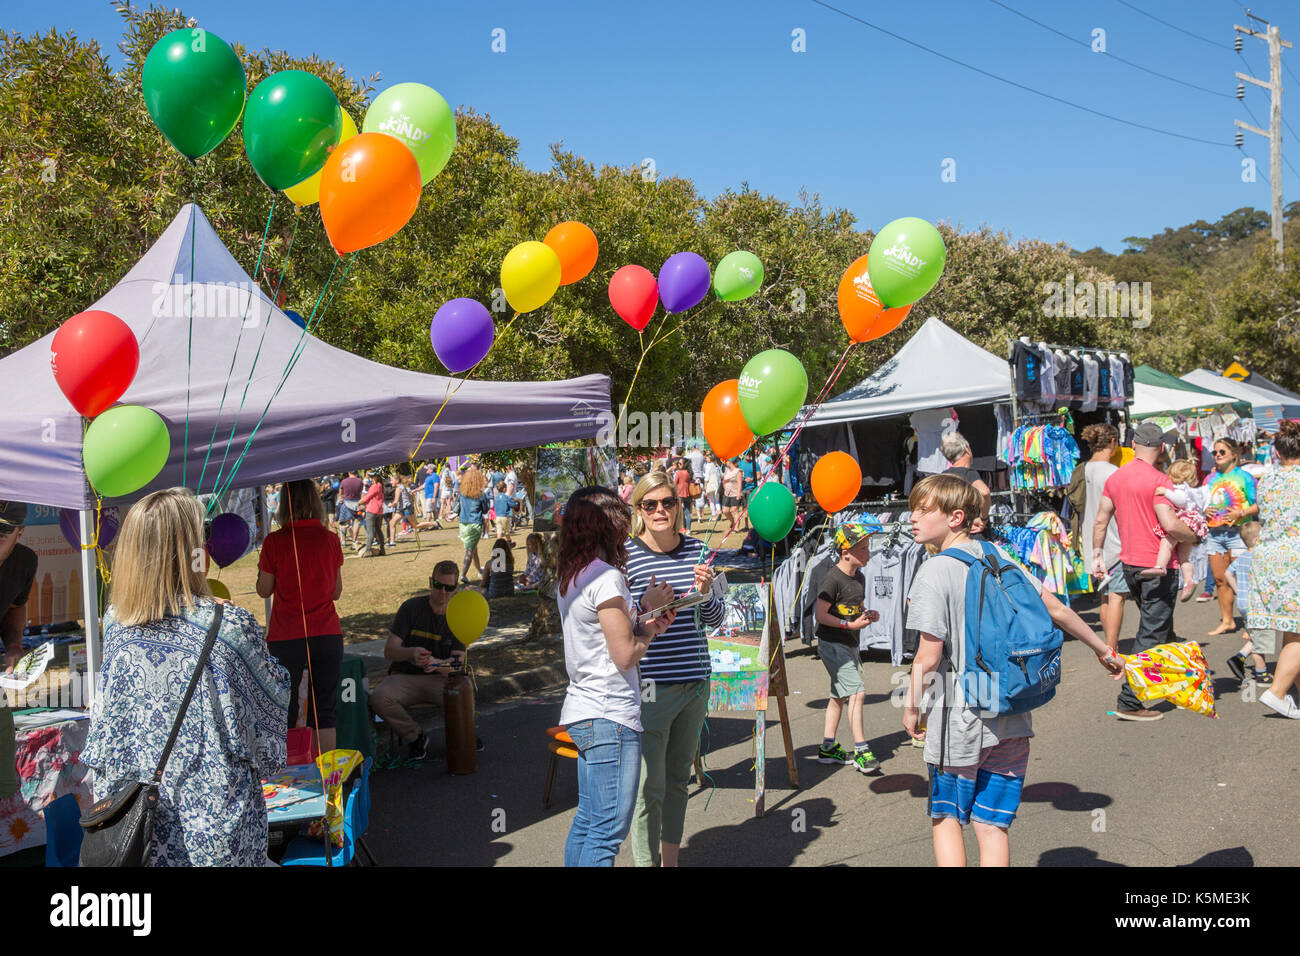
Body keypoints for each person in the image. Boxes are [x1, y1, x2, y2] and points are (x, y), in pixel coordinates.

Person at [903, 475, 1123, 866]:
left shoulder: (934, 571)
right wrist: (1102, 649)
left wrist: (911, 706)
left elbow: (928, 656)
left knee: (947, 815)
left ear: (955, 517)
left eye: (923, 510)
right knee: (992, 825)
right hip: (1011, 709)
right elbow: (1055, 608)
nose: (912, 518)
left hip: (961, 715)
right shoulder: (998, 556)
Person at [83, 488, 289, 866]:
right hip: (213, 832)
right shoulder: (230, 627)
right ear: (193, 550)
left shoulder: (115, 623)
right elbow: (270, 726)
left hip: (133, 830)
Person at [558, 487, 675, 867]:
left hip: (583, 710)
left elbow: (605, 633)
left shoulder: (574, 575)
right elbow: (624, 654)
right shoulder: (606, 576)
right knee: (606, 834)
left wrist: (643, 611)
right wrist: (651, 629)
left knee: (589, 822)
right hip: (610, 716)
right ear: (608, 527)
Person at [624, 472, 725, 867]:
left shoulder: (698, 551)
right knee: (650, 787)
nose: (660, 511)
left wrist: (706, 593)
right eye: (650, 504)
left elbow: (714, 619)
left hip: (695, 680)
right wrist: (649, 607)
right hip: (650, 684)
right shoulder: (627, 556)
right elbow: (622, 627)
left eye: (667, 502)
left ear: (678, 505)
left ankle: (671, 862)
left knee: (679, 780)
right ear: (639, 510)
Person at [1091, 421, 1198, 722]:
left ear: (1133, 444)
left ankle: (1174, 683)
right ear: (1162, 447)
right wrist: (1194, 535)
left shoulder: (1117, 477)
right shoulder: (1159, 481)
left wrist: (1097, 555)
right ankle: (1130, 700)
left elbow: (1101, 520)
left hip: (1130, 564)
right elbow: (1170, 524)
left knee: (1161, 626)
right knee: (1152, 631)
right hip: (1159, 567)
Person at [255, 479, 345, 754]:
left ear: (284, 504)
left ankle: (294, 781)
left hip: (287, 636)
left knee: (287, 709)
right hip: (326, 633)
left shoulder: (275, 541)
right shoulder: (330, 539)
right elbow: (336, 591)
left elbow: (263, 590)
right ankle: (330, 783)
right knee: (325, 711)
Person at [370, 560, 467, 759]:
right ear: (431, 583)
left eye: (449, 588)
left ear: (455, 588)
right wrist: (411, 653)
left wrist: (437, 664)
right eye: (438, 585)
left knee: (464, 692)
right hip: (405, 677)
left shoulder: (459, 615)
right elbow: (389, 650)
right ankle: (415, 737)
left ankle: (465, 736)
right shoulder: (411, 608)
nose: (443, 592)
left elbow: (458, 664)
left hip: (441, 679)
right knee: (379, 697)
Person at [815, 523, 883, 774]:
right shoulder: (832, 579)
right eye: (862, 548)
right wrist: (848, 624)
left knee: (840, 695)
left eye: (867, 547)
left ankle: (827, 747)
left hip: (849, 644)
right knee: (857, 693)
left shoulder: (859, 577)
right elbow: (820, 615)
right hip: (833, 644)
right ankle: (862, 751)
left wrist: (867, 614)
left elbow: (856, 603)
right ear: (846, 552)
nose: (868, 552)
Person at [1248, 420, 1300, 717]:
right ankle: (1277, 691)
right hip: (1295, 557)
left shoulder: (1267, 480)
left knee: (1293, 630)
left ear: (1277, 453)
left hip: (1269, 557)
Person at [1203, 438, 1259, 636]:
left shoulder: (1245, 477)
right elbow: (1202, 503)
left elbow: (1257, 505)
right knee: (1220, 579)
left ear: (1234, 454)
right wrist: (1205, 510)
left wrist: (1240, 514)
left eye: (1222, 452)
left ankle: (1251, 623)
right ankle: (1227, 620)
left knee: (1243, 580)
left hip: (1239, 533)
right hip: (1215, 533)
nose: (1217, 455)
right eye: (1215, 452)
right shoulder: (1209, 480)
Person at [1078, 423, 1126, 655]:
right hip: (1112, 539)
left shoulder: (1083, 470)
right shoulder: (1113, 472)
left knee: (1105, 595)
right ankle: (1112, 646)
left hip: (1090, 540)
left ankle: (1109, 644)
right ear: (1113, 442)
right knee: (1116, 595)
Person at [0, 501, 36, 800]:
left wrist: (13, 645)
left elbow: (15, 607)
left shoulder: (24, 562)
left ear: (19, 533)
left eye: (1, 531)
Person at [1148, 459, 1210, 601]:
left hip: (1184, 521)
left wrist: (1166, 492)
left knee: (1167, 542)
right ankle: (1189, 580)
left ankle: (1160, 566)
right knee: (1184, 557)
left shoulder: (1180, 489)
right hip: (1192, 524)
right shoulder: (1191, 489)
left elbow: (1180, 500)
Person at [1224, 522, 1270, 685]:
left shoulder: (1242, 557)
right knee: (1261, 638)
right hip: (1257, 603)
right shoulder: (1260, 557)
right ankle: (1259, 671)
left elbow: (1228, 573)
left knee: (1255, 634)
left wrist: (1237, 590)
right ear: (1258, 540)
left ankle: (1242, 659)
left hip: (1243, 601)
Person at [941, 432, 991, 531]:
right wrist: (983, 518)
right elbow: (985, 492)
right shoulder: (969, 474)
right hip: (972, 532)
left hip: (951, 532)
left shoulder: (941, 476)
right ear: (966, 448)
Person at [457, 464, 491, 583]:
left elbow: (459, 508)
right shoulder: (481, 495)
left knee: (473, 548)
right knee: (470, 551)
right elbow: (486, 510)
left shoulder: (462, 493)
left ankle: (479, 570)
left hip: (463, 524)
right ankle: (463, 574)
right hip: (474, 524)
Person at [356, 471, 386, 557]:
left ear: (376, 478)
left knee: (370, 531)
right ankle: (382, 549)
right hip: (379, 511)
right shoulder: (381, 486)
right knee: (378, 530)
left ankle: (368, 550)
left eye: (372, 477)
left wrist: (359, 502)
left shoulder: (375, 486)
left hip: (372, 510)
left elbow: (367, 497)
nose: (371, 479)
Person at [338, 471, 363, 546]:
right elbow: (362, 492)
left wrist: (341, 497)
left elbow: (340, 491)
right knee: (357, 523)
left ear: (349, 473)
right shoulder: (360, 481)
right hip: (358, 503)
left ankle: (343, 541)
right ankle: (354, 540)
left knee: (343, 523)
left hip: (346, 503)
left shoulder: (344, 481)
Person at [721, 458, 744, 537]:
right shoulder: (727, 471)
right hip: (727, 494)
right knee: (725, 511)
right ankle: (733, 523)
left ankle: (736, 528)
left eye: (727, 461)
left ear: (731, 462)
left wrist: (738, 493)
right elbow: (723, 481)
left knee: (734, 510)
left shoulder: (738, 471)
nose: (726, 462)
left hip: (735, 493)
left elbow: (740, 483)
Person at [672, 458, 693, 532]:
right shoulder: (689, 472)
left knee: (679, 512)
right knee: (687, 512)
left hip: (679, 493)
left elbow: (675, 483)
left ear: (684, 464)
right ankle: (688, 529)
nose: (678, 464)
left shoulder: (678, 472)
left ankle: (681, 528)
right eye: (678, 463)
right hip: (688, 493)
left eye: (680, 463)